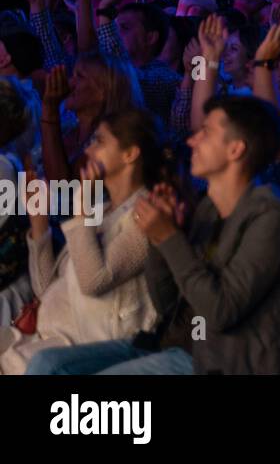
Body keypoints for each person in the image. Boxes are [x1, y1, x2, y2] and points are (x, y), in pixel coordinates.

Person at [27, 95, 280, 374]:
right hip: (173, 344)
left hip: (224, 362)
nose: (191, 141)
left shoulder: (273, 220)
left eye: (205, 133)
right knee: (46, 364)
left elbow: (220, 312)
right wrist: (160, 240)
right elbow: (166, 303)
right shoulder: (209, 209)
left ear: (235, 149)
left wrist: (171, 238)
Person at [2, 110, 166, 373]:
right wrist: (39, 222)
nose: (88, 149)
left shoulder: (145, 215)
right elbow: (47, 290)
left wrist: (82, 207)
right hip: (50, 337)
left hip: (88, 351)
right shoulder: (102, 209)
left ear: (129, 154)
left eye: (99, 141)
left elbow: (94, 281)